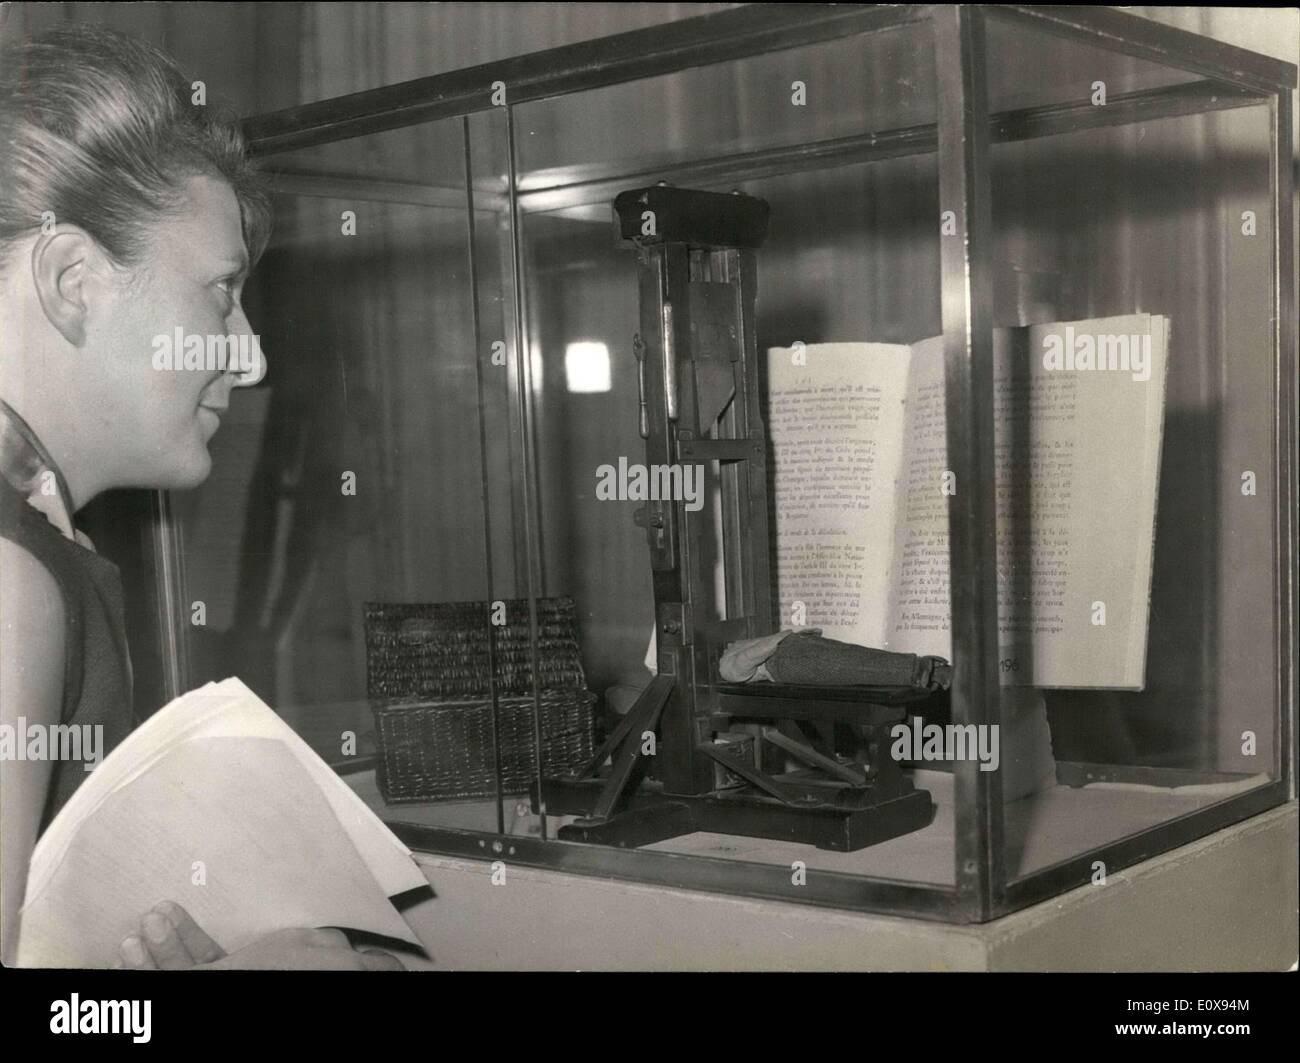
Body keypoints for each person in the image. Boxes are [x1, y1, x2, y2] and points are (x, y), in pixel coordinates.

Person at [0, 24, 401, 970]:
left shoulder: (40, 545)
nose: (250, 354)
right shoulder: (11, 584)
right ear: (71, 281)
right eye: (222, 293)